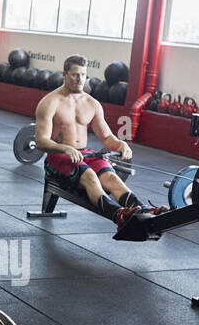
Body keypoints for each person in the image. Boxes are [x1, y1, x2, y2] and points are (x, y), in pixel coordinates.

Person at [34, 55, 163, 226]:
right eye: (74, 74)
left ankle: (142, 210)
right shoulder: (50, 102)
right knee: (90, 176)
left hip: (85, 155)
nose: (80, 79)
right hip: (58, 157)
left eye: (83, 75)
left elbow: (107, 138)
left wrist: (121, 144)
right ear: (64, 74)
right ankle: (119, 216)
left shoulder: (92, 104)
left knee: (112, 178)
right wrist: (65, 149)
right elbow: (41, 141)